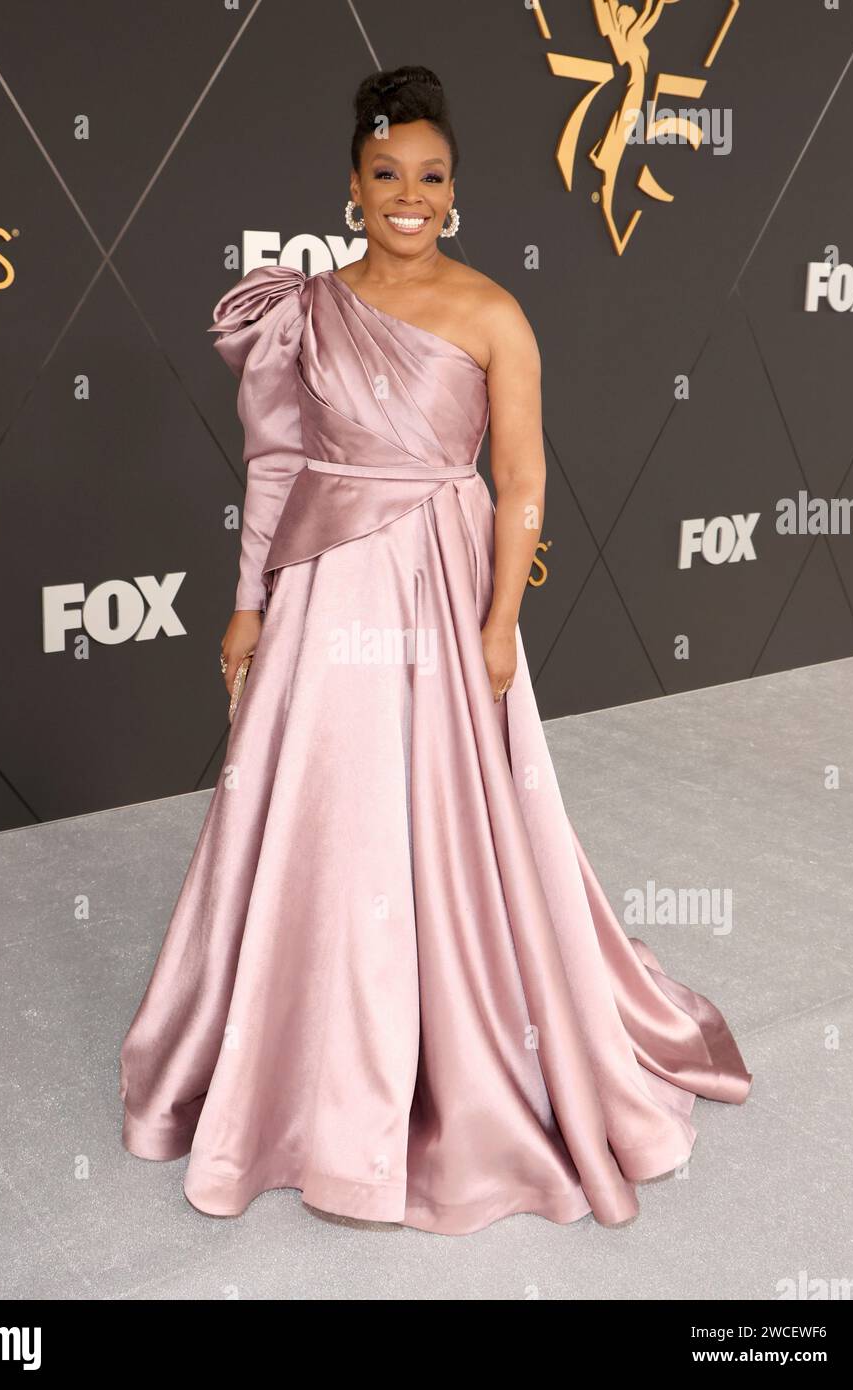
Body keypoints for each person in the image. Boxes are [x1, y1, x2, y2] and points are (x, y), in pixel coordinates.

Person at [119, 65, 752, 1236]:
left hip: (443, 587)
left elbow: (522, 481)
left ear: (454, 190)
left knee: (452, 822)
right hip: (322, 590)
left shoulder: (493, 313)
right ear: (351, 185)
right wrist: (249, 602)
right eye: (385, 176)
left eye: (431, 177)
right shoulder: (299, 311)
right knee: (326, 817)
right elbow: (274, 470)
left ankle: (461, 1049)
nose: (408, 197)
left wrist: (501, 620)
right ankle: (302, 1073)